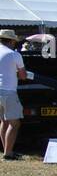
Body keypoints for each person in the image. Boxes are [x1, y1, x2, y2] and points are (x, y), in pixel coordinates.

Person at [0, 29, 27, 161]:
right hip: (8, 91)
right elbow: (23, 76)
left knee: (3, 122)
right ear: (11, 41)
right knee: (14, 123)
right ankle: (8, 153)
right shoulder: (14, 55)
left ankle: (6, 150)